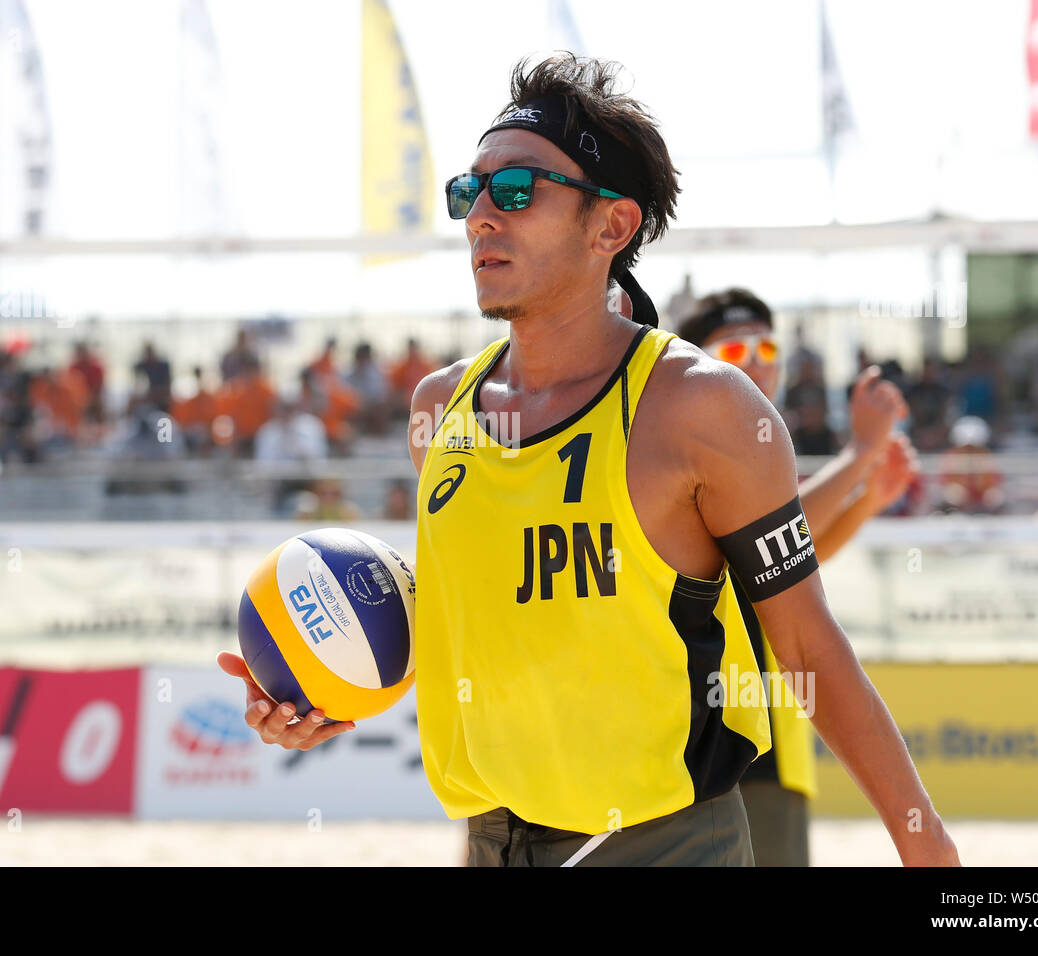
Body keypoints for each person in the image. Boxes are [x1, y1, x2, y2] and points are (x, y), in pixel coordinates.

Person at [218, 53, 958, 867]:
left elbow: (808, 646)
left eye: (516, 189)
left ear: (612, 226)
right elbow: (484, 625)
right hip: (492, 842)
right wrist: (321, 688)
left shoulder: (698, 408)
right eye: (470, 192)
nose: (481, 216)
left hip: (662, 845)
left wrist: (925, 843)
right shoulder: (439, 409)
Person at [678, 288, 919, 866]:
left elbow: (782, 565)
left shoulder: (753, 443)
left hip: (764, 737)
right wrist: (859, 456)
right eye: (735, 348)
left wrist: (865, 501)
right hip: (718, 745)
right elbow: (767, 544)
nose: (757, 361)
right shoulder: (688, 446)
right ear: (694, 362)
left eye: (767, 347)